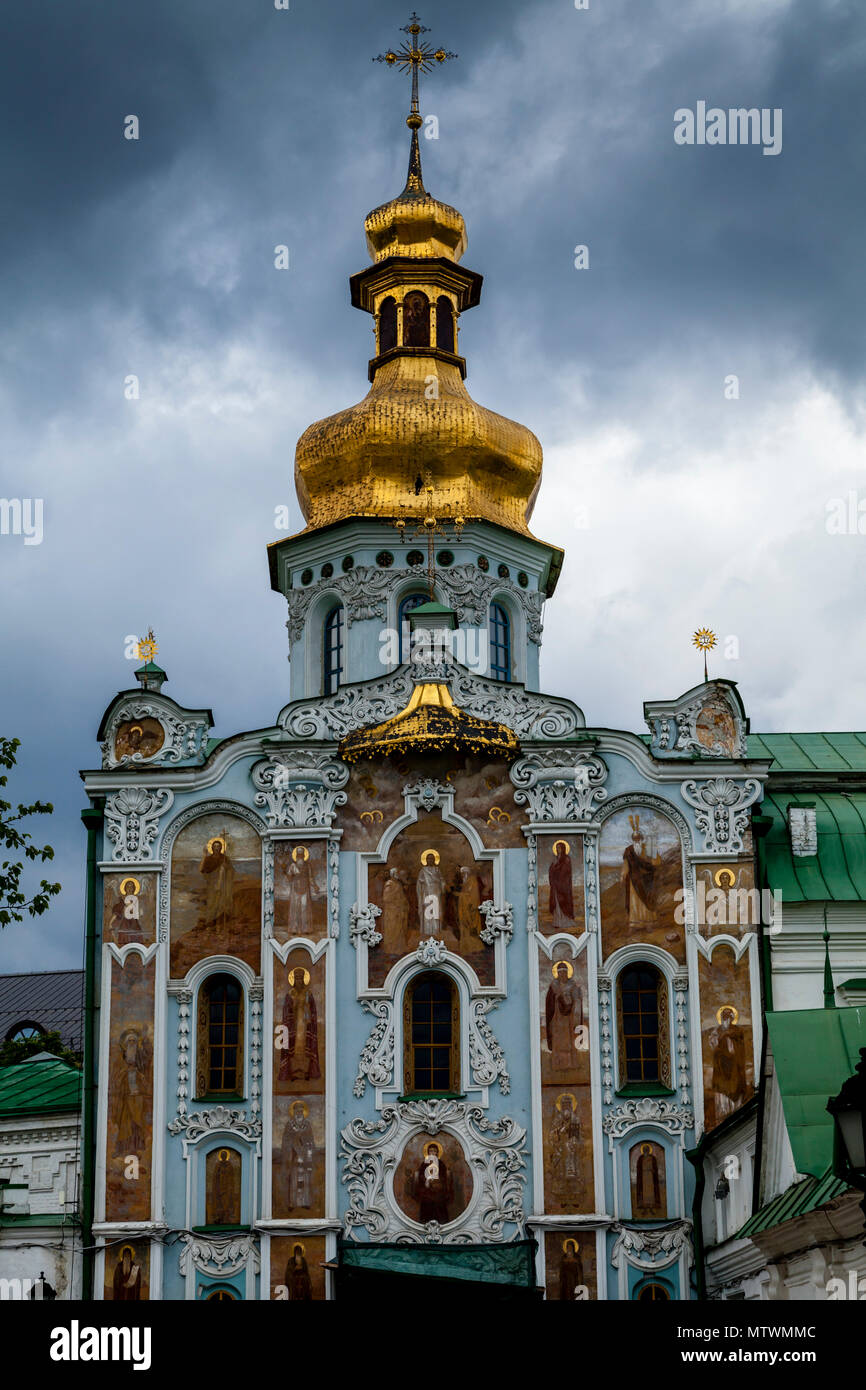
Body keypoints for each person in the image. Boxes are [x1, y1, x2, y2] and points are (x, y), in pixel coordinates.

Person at [278, 970, 320, 1084]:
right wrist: (294, 1005)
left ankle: (306, 1072)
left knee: (305, 1049)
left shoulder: (308, 994)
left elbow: (313, 1011)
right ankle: (293, 1073)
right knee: (293, 1050)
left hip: (305, 1026)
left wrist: (306, 1009)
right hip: (294, 1026)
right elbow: (287, 1011)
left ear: (304, 980)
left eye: (301, 979)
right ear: (293, 981)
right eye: (296, 979)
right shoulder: (290, 994)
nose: (299, 981)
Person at [545, 963, 583, 1074]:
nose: (562, 974)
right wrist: (557, 998)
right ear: (557, 973)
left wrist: (571, 1000)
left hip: (569, 1019)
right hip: (557, 1018)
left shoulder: (573, 986)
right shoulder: (553, 986)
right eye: (560, 972)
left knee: (569, 1041)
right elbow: (549, 1003)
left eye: (564, 972)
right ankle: (558, 1064)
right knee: (558, 1040)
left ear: (567, 972)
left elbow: (577, 1001)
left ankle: (571, 1064)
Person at [281, 1103, 315, 1210]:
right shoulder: (289, 1125)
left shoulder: (307, 1125)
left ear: (303, 1112)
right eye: (297, 1112)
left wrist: (307, 1148)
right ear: (294, 1113)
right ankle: (292, 1203)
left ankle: (305, 1202)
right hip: (293, 1157)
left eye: (301, 1111)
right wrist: (293, 1146)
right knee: (293, 1179)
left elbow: (310, 1139)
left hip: (305, 1157)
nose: (299, 1113)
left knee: (305, 1180)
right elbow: (285, 1140)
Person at [199, 836, 234, 930]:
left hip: (222, 884)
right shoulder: (209, 859)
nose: (217, 848)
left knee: (220, 904)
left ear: (221, 847)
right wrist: (204, 856)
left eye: (219, 846)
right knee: (211, 903)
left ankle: (219, 924)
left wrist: (225, 867)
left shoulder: (224, 858)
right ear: (212, 847)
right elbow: (202, 870)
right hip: (212, 884)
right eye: (215, 846)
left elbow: (231, 871)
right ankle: (210, 923)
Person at [380, 868, 409, 954]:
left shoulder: (398, 884)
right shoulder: (389, 884)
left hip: (399, 912)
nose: (397, 875)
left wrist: (404, 904)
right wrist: (396, 902)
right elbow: (386, 898)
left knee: (399, 931)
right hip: (392, 912)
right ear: (392, 874)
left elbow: (402, 898)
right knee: (392, 931)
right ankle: (391, 950)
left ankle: (399, 949)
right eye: (396, 873)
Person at [416, 854, 445, 938]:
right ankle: (427, 931)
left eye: (432, 859)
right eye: (428, 859)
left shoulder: (437, 869)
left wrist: (443, 886)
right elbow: (419, 882)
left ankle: (435, 930)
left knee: (436, 911)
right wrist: (420, 893)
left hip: (436, 892)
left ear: (434, 860)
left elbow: (442, 880)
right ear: (426, 860)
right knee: (427, 912)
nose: (430, 860)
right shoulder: (423, 870)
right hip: (426, 893)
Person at [548, 842, 574, 929]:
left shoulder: (567, 859)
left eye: (559, 848)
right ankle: (557, 922)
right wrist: (553, 867)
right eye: (557, 848)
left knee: (563, 903)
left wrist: (556, 869)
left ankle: (565, 922)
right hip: (556, 886)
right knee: (556, 903)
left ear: (563, 849)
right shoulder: (555, 859)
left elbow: (565, 872)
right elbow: (551, 870)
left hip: (563, 886)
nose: (558, 849)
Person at [455, 866, 481, 952]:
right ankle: (466, 948)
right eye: (461, 874)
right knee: (464, 928)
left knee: (471, 928)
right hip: (464, 909)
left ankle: (474, 947)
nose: (462, 875)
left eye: (464, 873)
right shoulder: (466, 881)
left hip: (471, 909)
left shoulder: (472, 881)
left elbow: (472, 896)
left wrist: (459, 895)